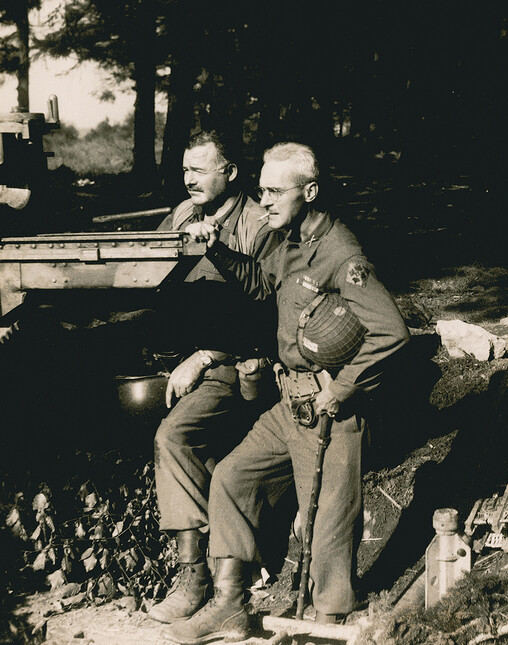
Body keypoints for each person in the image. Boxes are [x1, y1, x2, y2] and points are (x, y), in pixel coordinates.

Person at [161, 142, 409, 643]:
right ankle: (230, 605)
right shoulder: (284, 239)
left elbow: (391, 332)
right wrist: (216, 248)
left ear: (310, 192)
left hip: (329, 409)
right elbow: (259, 283)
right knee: (231, 477)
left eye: (276, 191)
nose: (266, 201)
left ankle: (329, 621)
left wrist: (343, 388)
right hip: (289, 402)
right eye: (262, 190)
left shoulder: (341, 254)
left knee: (328, 525)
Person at [148, 131, 283, 624]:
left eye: (200, 169)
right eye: (186, 169)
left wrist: (204, 356)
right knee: (184, 445)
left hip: (242, 361)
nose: (189, 178)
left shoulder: (260, 223)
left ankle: (199, 580)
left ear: (230, 172)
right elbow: (153, 274)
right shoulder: (183, 215)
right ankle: (208, 570)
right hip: (192, 358)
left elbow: (272, 307)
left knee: (173, 436)